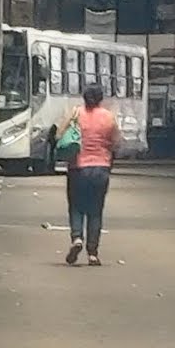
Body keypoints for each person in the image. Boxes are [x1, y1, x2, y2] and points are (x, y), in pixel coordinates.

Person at [56, 83, 122, 267]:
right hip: (101, 168)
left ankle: (77, 238)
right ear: (101, 98)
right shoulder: (109, 117)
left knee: (76, 206)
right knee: (95, 210)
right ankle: (92, 253)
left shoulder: (76, 113)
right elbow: (117, 142)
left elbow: (60, 134)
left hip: (78, 167)